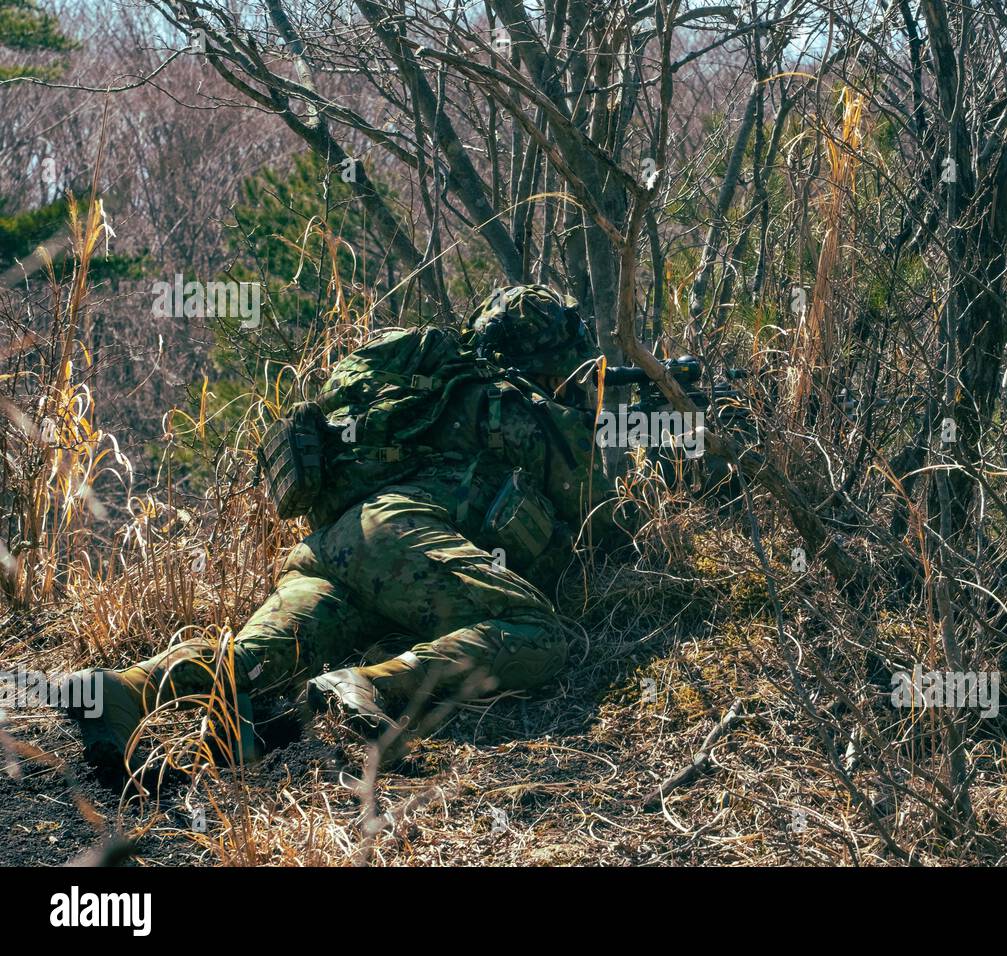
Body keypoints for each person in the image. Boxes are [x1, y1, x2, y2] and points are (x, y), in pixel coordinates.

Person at [64, 285, 623, 783]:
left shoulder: (422, 382)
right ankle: (374, 686)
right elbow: (610, 522)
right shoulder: (519, 409)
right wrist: (585, 418)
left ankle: (127, 687)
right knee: (537, 632)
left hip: (330, 547)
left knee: (258, 658)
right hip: (396, 539)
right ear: (549, 361)